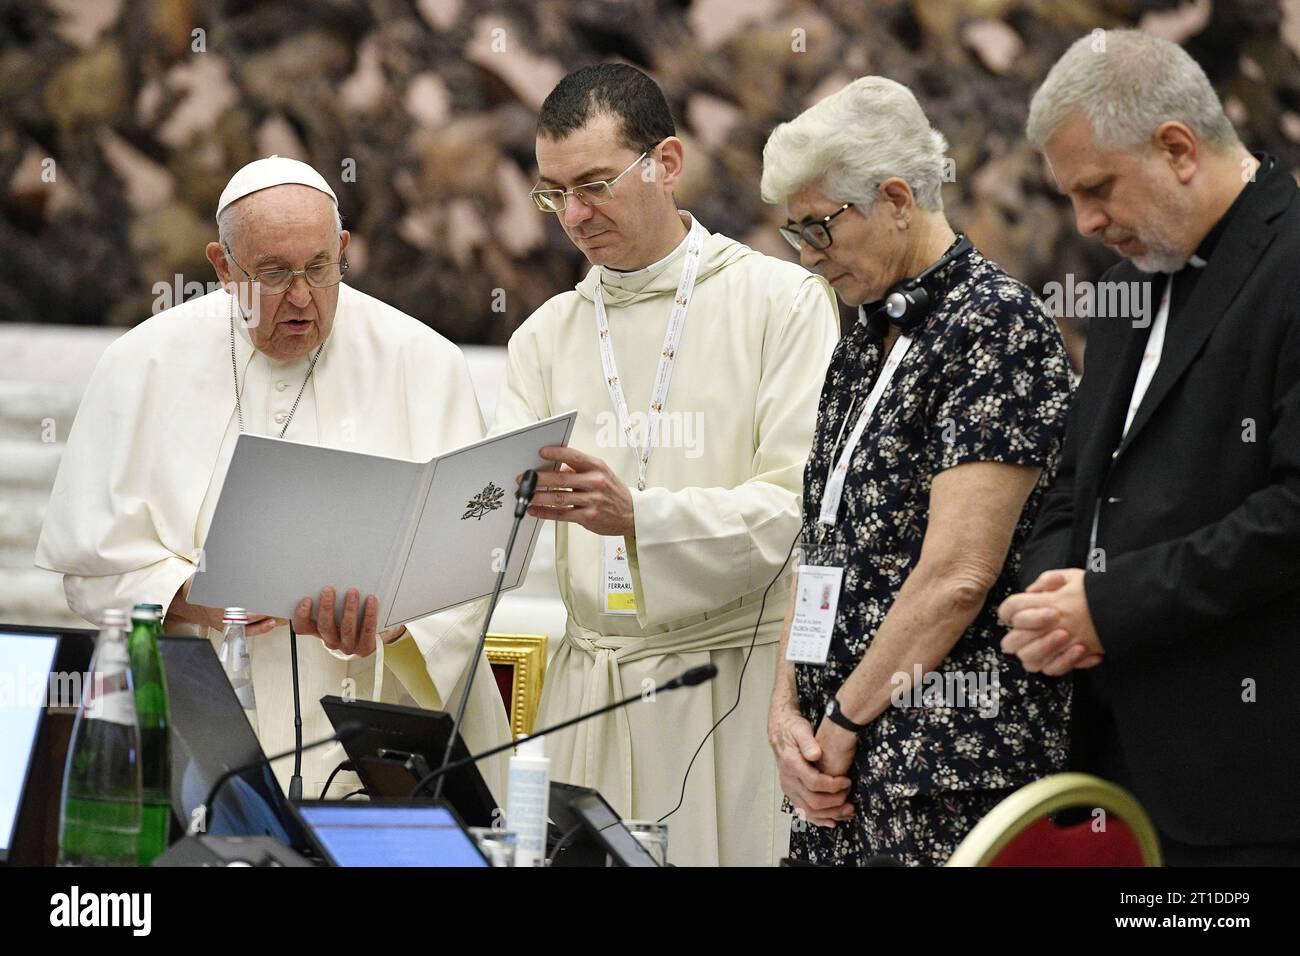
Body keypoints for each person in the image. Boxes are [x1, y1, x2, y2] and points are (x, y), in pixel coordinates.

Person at [36, 156, 512, 800]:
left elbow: (475, 561)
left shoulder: (422, 362)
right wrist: (195, 597)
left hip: (381, 740)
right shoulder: (141, 364)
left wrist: (396, 622)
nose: (300, 296)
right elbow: (90, 568)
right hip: (202, 721)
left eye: (320, 268)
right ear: (223, 267)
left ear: (344, 249)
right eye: (273, 272)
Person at [494, 63, 839, 866]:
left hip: (726, 689)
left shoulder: (781, 306)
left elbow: (800, 512)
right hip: (593, 695)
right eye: (553, 194)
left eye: (596, 184)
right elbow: (498, 532)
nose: (573, 216)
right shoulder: (543, 337)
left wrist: (640, 518)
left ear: (668, 163)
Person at [1000, 29, 1300, 865]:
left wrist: (1112, 605)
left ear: (1177, 148)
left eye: (1097, 189)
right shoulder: (1125, 284)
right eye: (1068, 197)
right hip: (1108, 767)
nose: (1086, 222)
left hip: (1255, 788)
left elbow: (1292, 513)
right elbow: (1074, 482)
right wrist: (1050, 601)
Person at [761, 77, 1073, 865]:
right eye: (793, 233)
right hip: (839, 765)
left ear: (896, 197)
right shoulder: (865, 333)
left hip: (942, 764)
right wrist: (785, 707)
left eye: (820, 229)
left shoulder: (994, 325)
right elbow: (821, 537)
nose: (808, 258)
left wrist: (844, 721)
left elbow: (960, 575)